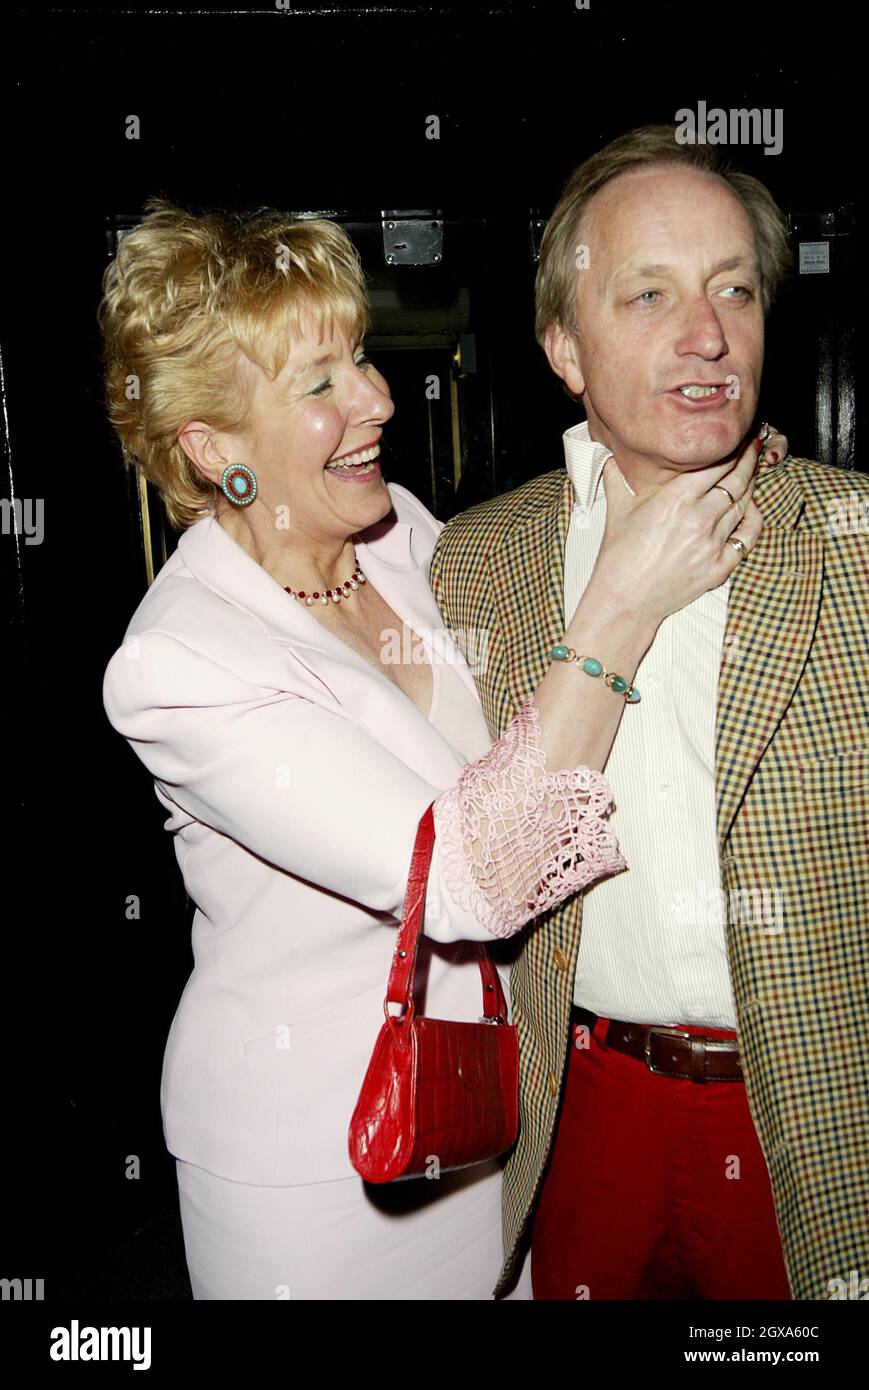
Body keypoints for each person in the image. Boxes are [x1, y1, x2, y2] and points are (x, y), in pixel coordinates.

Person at [100, 197, 769, 1300]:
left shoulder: (399, 533)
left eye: (358, 359)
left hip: (493, 1118)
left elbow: (554, 546)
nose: (374, 398)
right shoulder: (179, 665)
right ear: (212, 447)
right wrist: (620, 609)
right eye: (317, 385)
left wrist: (709, 457)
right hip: (317, 1163)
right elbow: (464, 881)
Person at [431, 122, 869, 1302]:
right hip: (581, 1114)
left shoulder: (858, 541)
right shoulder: (473, 565)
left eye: (734, 288)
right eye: (648, 295)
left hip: (820, 1120)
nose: (707, 336)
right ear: (562, 347)